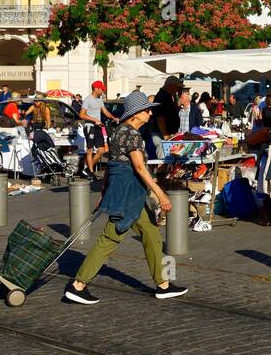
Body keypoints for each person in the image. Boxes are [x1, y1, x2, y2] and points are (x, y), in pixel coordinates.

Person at [63, 91, 188, 305]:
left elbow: (112, 165)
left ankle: (163, 284)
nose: (150, 113)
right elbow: (139, 167)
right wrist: (160, 193)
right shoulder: (131, 134)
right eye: (146, 110)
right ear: (135, 114)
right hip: (128, 193)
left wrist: (104, 192)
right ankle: (78, 285)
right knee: (110, 237)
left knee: (151, 234)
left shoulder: (118, 131)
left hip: (128, 193)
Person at [78, 80, 118, 179]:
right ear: (96, 88)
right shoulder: (88, 99)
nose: (102, 91)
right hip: (89, 126)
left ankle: (87, 169)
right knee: (90, 150)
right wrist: (94, 120)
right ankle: (91, 172)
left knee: (101, 150)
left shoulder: (99, 100)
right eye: (101, 89)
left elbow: (105, 111)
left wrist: (113, 118)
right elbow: (81, 114)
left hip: (98, 127)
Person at [144, 76, 184, 158]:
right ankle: (161, 171)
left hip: (164, 134)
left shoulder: (167, 96)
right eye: (177, 88)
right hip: (162, 135)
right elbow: (160, 118)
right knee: (163, 160)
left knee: (166, 159)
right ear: (171, 85)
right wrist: (165, 135)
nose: (177, 90)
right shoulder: (162, 97)